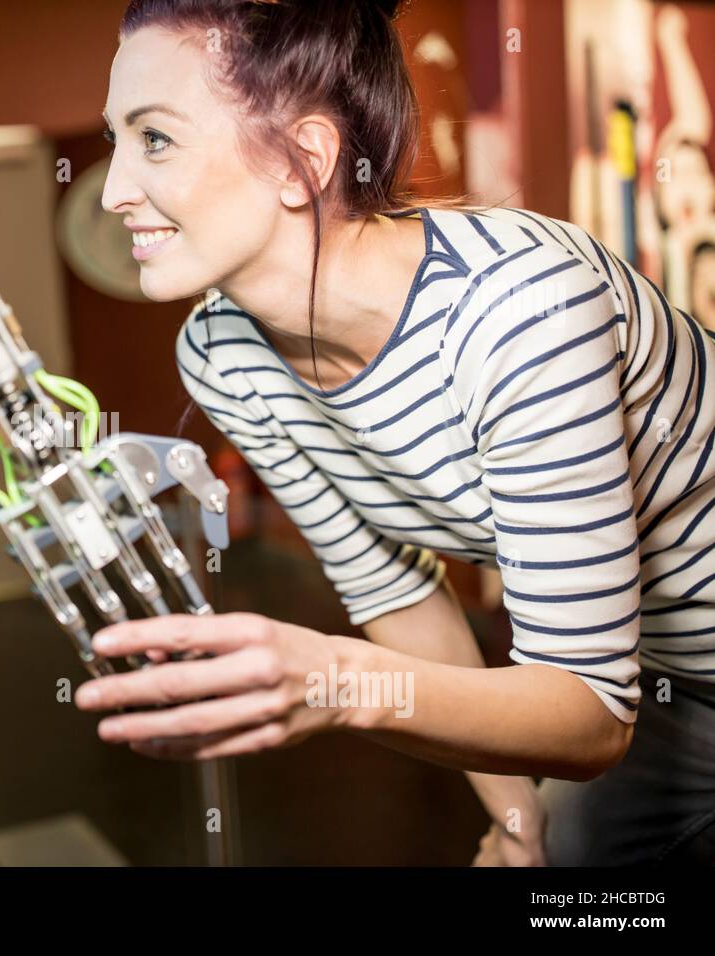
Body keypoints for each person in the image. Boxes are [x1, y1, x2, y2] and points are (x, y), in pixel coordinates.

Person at [75, 0, 715, 866]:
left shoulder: (520, 311)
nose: (114, 191)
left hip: (623, 687)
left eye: (155, 138)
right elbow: (396, 598)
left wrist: (336, 683)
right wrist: (517, 820)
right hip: (661, 682)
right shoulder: (222, 356)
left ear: (303, 159)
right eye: (117, 138)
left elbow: (589, 714)